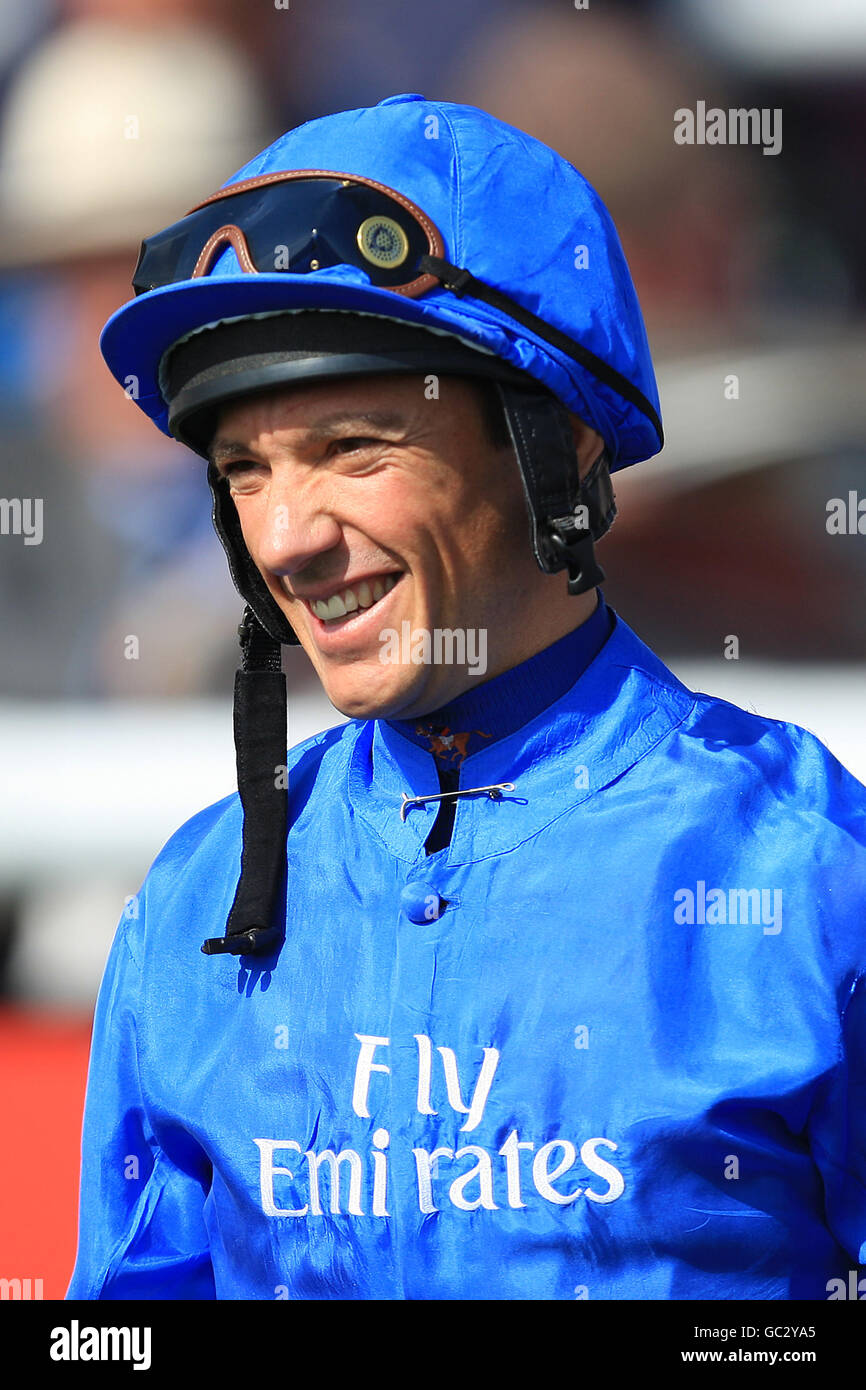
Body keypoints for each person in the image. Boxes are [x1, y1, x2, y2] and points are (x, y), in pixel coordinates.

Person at [67, 94, 866, 1301]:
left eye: (353, 448)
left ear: (562, 448)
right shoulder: (189, 904)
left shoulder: (809, 874)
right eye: (244, 470)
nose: (286, 537)